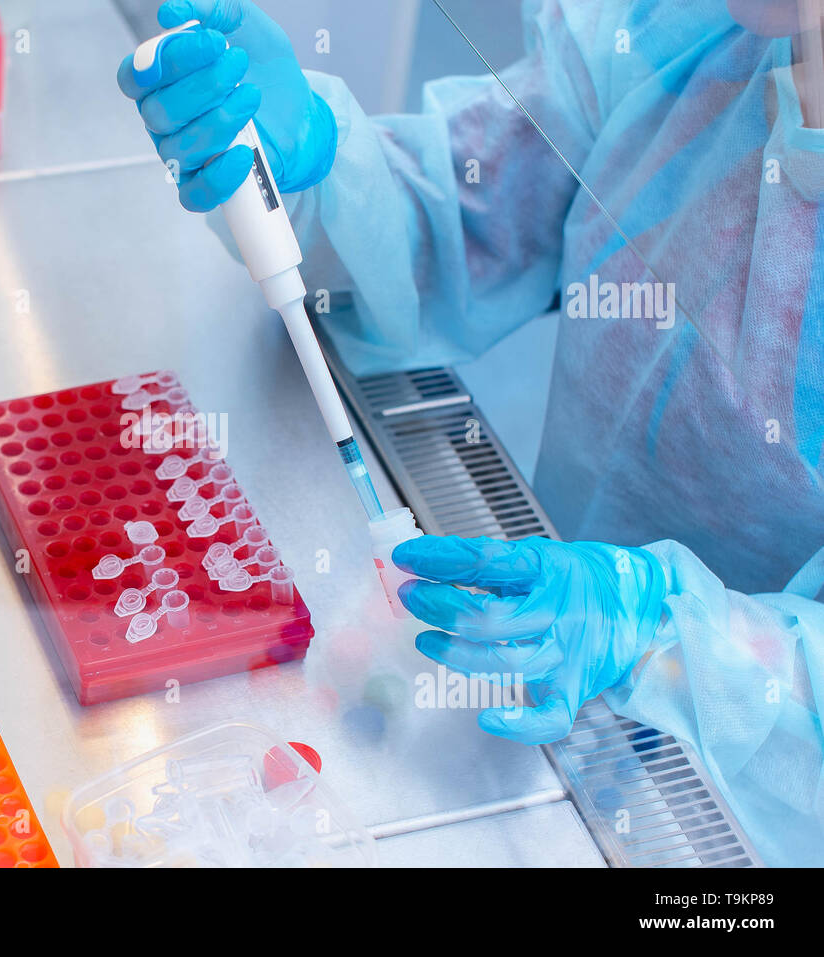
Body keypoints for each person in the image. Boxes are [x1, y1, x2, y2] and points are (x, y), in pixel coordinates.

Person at [119, 0, 824, 866]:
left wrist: (664, 634)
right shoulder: (692, 37)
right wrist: (315, 164)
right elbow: (460, 220)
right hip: (549, 729)